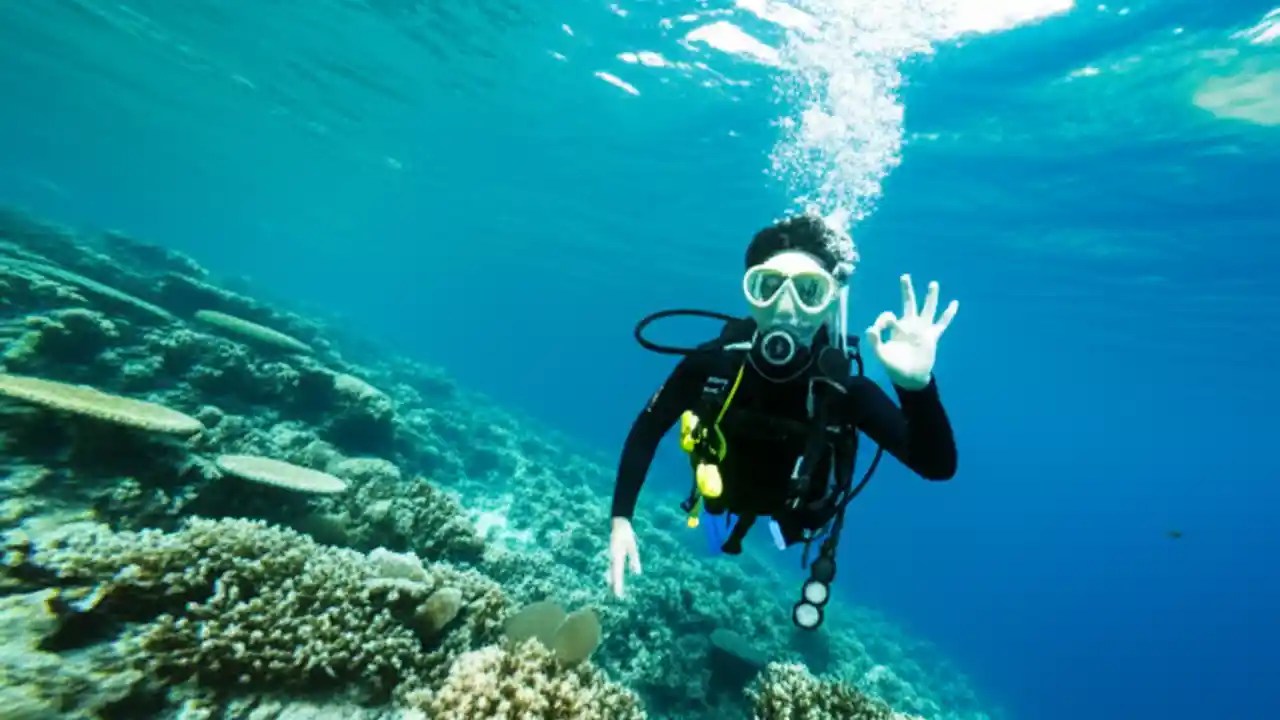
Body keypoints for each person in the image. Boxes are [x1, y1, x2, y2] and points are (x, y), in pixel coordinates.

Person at [608, 213, 960, 629]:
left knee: (770, 528)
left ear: (831, 302)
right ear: (751, 294)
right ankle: (721, 531)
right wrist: (620, 519)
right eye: (769, 287)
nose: (787, 308)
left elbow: (936, 465)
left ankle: (736, 532)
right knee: (717, 522)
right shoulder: (711, 364)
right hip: (719, 493)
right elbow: (648, 427)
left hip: (793, 515)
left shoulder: (845, 391)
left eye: (810, 291)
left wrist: (916, 388)